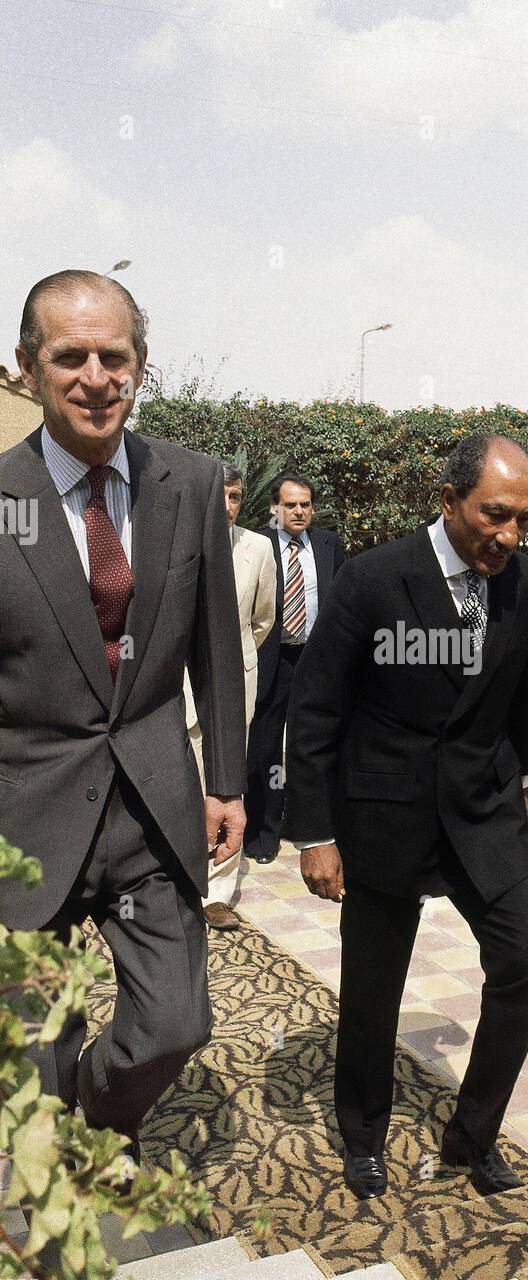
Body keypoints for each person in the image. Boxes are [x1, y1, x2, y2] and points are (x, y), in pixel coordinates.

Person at [0, 270, 246, 1156]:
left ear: (141, 366)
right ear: (27, 367)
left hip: (152, 811)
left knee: (175, 1025)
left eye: (116, 355)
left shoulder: (189, 483)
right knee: (39, 1043)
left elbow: (218, 646)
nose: (96, 377)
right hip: (26, 821)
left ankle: (98, 1124)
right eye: (70, 356)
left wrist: (226, 781)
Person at [285, 434, 528, 1201]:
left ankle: (472, 1138)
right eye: (494, 515)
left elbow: (523, 686)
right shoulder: (374, 580)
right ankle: (363, 1134)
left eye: (523, 522)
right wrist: (315, 833)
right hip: (382, 813)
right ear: (448, 502)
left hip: (484, 810)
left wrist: (523, 774)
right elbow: (314, 711)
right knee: (375, 987)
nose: (509, 536)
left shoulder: (527, 584)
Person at [183, 464, 276, 927]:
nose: (227, 505)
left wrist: (229, 662)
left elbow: (261, 620)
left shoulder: (258, 549)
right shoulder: (176, 539)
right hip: (173, 683)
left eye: (236, 496)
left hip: (233, 682)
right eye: (220, 494)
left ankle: (216, 892)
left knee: (226, 779)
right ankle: (174, 876)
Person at [244, 474, 344, 863]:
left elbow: (341, 606)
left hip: (316, 662)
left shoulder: (328, 545)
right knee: (264, 748)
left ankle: (312, 827)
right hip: (273, 659)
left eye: (305, 504)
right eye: (290, 505)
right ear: (274, 508)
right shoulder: (259, 545)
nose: (299, 511)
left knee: (315, 746)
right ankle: (262, 835)